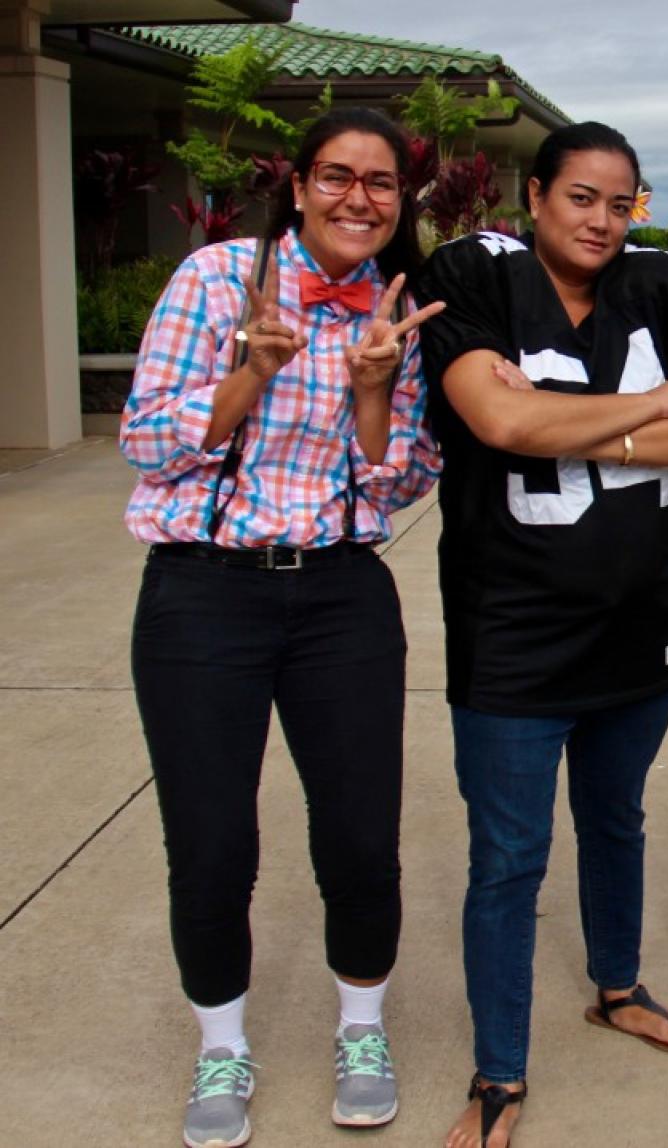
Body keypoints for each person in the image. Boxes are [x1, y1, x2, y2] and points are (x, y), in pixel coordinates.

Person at [415, 121, 668, 1148]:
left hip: (636, 623)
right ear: (534, 195)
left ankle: (617, 985)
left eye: (620, 201)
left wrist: (573, 414)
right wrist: (651, 406)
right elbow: (500, 426)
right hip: (510, 630)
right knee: (507, 858)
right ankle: (499, 1073)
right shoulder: (473, 275)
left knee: (616, 821)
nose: (601, 220)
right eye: (580, 198)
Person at [121, 107, 446, 1147]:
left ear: (401, 202)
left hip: (342, 595)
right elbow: (146, 442)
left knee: (359, 836)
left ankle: (361, 1027)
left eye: (382, 183)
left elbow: (397, 481)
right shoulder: (217, 280)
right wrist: (253, 366)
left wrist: (376, 387)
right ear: (299, 184)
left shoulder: (391, 311)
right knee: (212, 843)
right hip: (203, 594)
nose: (361, 198)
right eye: (339, 176)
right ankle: (222, 1043)